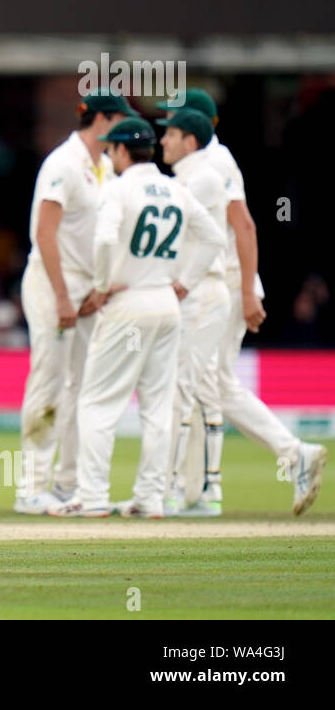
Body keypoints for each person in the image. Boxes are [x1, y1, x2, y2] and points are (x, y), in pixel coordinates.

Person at [162, 91, 327, 514]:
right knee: (215, 384)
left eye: (174, 128)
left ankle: (203, 487)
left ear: (196, 129)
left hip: (227, 287)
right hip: (223, 285)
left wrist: (249, 290)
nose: (165, 137)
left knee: (204, 383)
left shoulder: (215, 164)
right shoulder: (205, 163)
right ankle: (216, 485)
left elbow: (245, 226)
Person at [50, 117, 223, 518]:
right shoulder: (174, 189)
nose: (109, 155)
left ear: (123, 151)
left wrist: (102, 284)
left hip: (128, 304)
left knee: (97, 402)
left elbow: (107, 237)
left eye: (112, 149)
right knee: (159, 407)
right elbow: (214, 236)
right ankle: (149, 497)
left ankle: (92, 497)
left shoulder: (118, 189)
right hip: (165, 304)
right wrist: (184, 283)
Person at [15, 91, 137, 515]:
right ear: (102, 119)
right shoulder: (62, 164)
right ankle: (31, 488)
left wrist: (100, 289)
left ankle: (68, 485)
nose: (125, 129)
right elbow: (44, 234)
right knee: (48, 380)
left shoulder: (105, 167)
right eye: (121, 119)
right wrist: (63, 297)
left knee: (84, 387)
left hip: (88, 293)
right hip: (53, 288)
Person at [156, 108, 232, 516]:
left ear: (189, 140)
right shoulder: (187, 176)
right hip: (200, 294)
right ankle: (207, 491)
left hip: (201, 294)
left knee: (181, 388)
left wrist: (183, 280)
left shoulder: (201, 177)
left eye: (170, 134)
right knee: (200, 389)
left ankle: (169, 490)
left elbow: (212, 238)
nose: (163, 141)